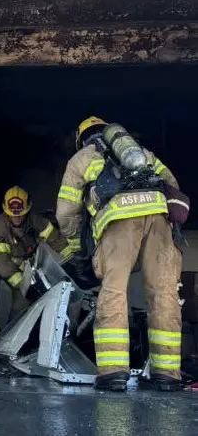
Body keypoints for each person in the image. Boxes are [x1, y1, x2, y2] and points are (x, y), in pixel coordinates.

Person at [56, 116, 182, 392]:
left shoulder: (82, 158)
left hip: (118, 220)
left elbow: (66, 213)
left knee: (113, 292)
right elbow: (171, 184)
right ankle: (167, 373)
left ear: (82, 138)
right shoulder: (143, 153)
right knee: (164, 294)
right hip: (158, 218)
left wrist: (77, 249)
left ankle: (113, 372)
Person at [0, 186, 75, 361]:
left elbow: (57, 240)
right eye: (13, 214)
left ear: (28, 209)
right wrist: (24, 284)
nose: (16, 218)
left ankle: (9, 343)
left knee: (22, 305)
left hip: (19, 264)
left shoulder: (38, 222)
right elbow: (1, 263)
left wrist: (73, 261)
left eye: (20, 214)